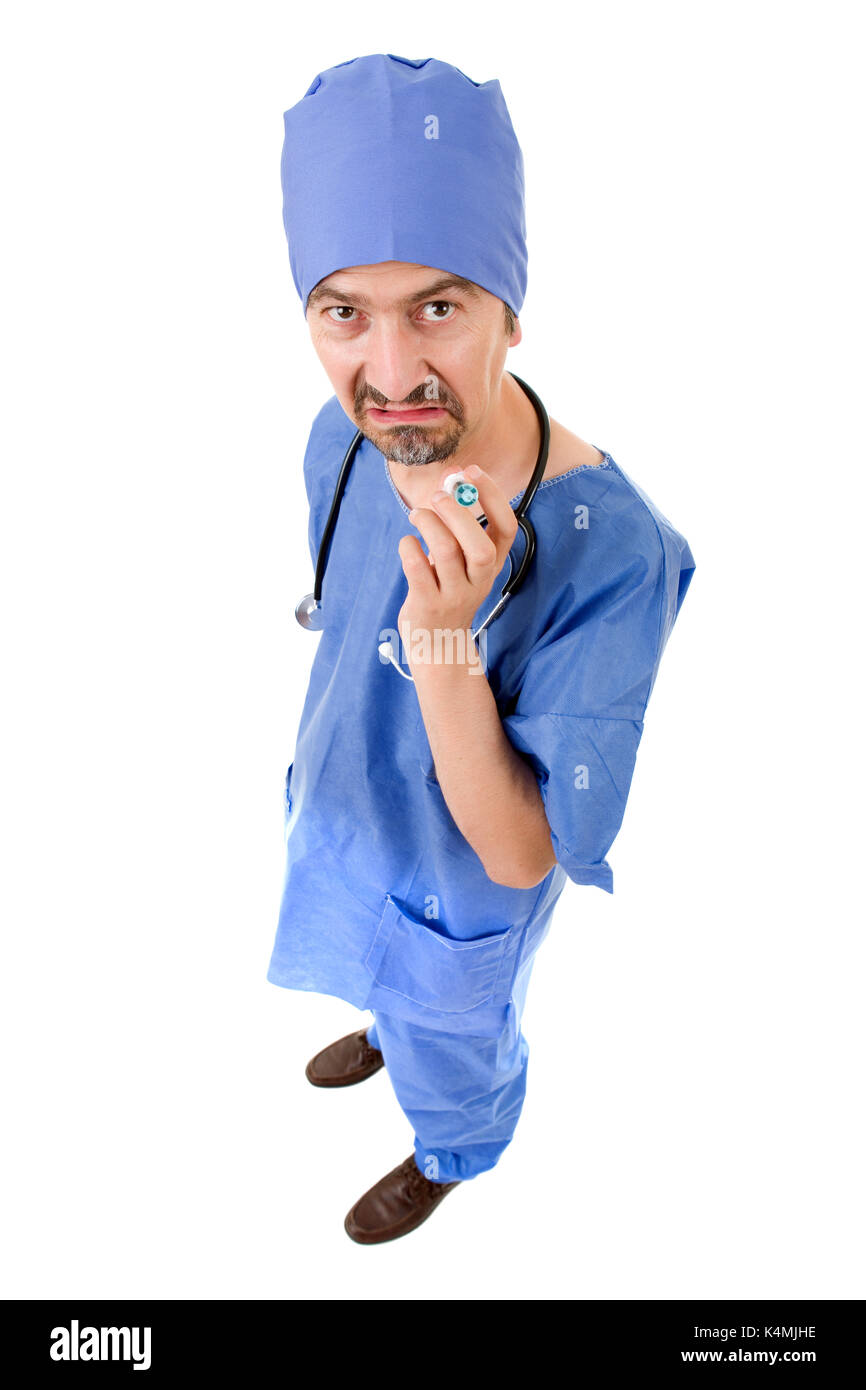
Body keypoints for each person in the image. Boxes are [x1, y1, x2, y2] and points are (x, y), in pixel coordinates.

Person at [267, 53, 696, 1244]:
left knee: (451, 1026)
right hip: (344, 799)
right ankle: (380, 1010)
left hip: (460, 888)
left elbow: (518, 854)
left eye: (439, 308)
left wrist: (447, 645)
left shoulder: (612, 553)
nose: (392, 375)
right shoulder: (343, 440)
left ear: (511, 306)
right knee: (372, 952)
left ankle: (455, 1139)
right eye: (344, 311)